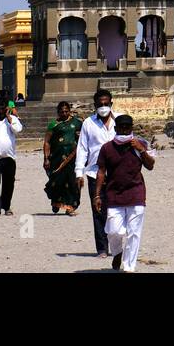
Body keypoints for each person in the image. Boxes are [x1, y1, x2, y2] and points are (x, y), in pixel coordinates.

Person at [94, 115, 155, 272]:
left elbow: (150, 166)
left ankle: (129, 267)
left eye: (127, 127)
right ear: (116, 129)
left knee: (134, 233)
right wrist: (97, 195)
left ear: (132, 128)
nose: (124, 130)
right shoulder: (107, 148)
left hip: (136, 193)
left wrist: (141, 150)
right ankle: (117, 253)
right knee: (114, 231)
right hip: (114, 195)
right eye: (121, 127)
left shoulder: (140, 144)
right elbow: (101, 171)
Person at [75, 89, 117, 257]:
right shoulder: (88, 123)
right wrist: (79, 172)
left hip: (116, 174)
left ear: (111, 104)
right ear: (95, 105)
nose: (103, 107)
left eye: (106, 104)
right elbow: (82, 149)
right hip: (94, 173)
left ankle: (116, 246)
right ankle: (101, 248)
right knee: (98, 210)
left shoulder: (119, 121)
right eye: (100, 104)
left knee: (115, 211)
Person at [43, 101, 83, 215]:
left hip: (73, 158)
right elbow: (47, 142)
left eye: (66, 111)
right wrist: (46, 158)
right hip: (56, 158)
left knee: (73, 181)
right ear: (58, 112)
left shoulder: (77, 123)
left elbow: (84, 138)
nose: (64, 114)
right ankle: (56, 202)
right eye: (61, 112)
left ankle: (71, 206)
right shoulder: (53, 124)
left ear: (69, 111)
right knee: (57, 182)